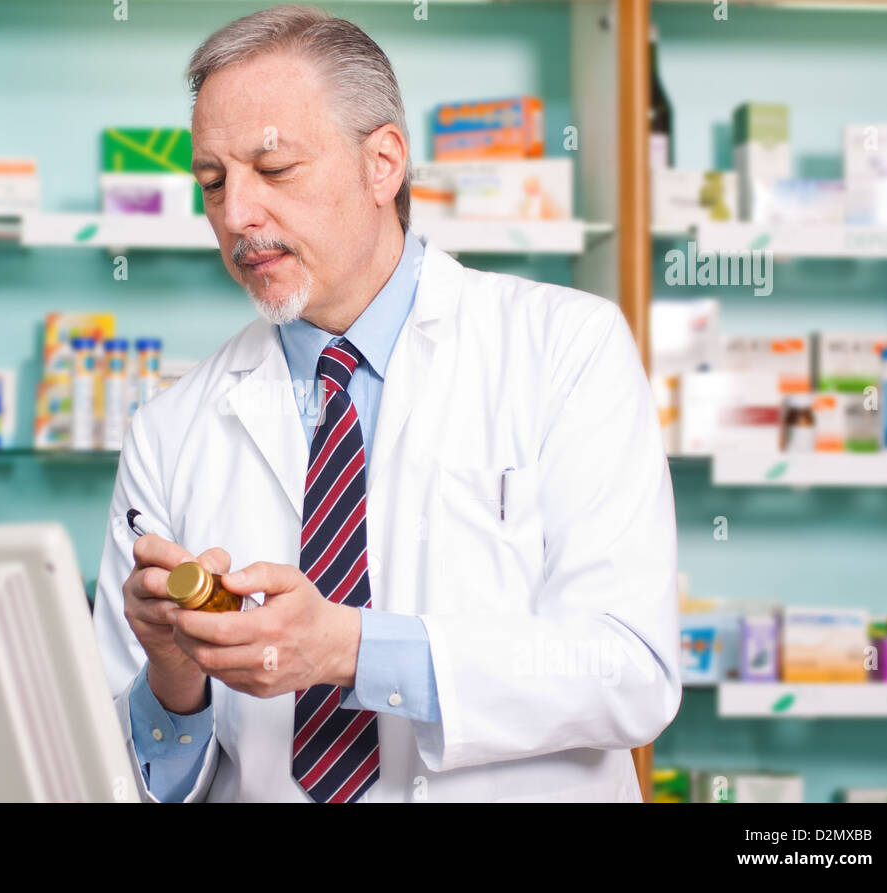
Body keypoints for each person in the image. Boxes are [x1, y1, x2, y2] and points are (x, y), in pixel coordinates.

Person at [91, 4, 681, 803]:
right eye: (213, 181)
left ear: (383, 163)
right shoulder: (171, 429)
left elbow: (631, 670)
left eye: (274, 169)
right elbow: (128, 776)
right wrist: (173, 678)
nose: (236, 215)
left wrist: (353, 649)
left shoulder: (565, 349)